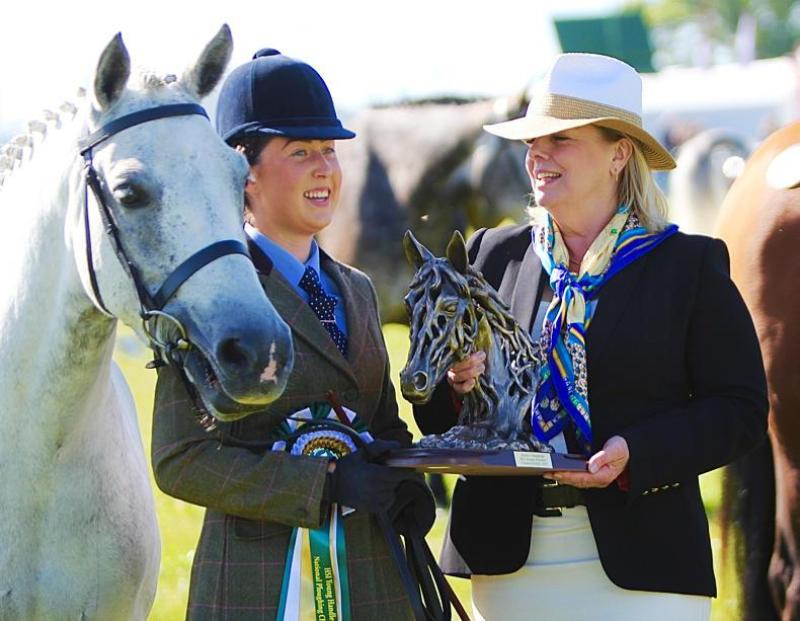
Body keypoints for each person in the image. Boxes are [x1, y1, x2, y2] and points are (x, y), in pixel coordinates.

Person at [413, 53, 768, 620]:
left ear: (619, 154)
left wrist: (636, 455)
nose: (538, 154)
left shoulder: (688, 266)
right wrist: (456, 387)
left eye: (561, 139)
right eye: (532, 141)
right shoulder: (489, 257)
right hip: (507, 568)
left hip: (647, 570)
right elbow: (436, 417)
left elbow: (740, 410)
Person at [151, 49, 434, 621]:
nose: (324, 168)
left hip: (375, 582)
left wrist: (405, 477)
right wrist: (321, 484)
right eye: (301, 152)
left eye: (330, 150)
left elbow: (379, 423)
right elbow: (181, 458)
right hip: (258, 588)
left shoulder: (357, 289)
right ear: (244, 170)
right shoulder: (206, 299)